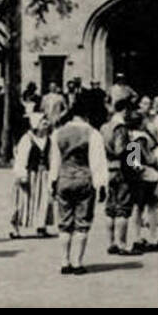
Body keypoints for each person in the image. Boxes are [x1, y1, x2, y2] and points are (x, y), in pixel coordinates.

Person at [48, 89, 109, 275]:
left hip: (64, 178)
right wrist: (101, 185)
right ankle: (77, 262)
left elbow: (54, 161)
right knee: (82, 223)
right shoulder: (93, 134)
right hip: (84, 179)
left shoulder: (58, 133)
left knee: (65, 222)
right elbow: (97, 162)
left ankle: (64, 261)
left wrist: (53, 181)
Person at [129, 104, 158, 252]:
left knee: (137, 208)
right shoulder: (142, 138)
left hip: (137, 176)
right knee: (153, 207)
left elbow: (131, 160)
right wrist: (157, 160)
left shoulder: (130, 135)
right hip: (148, 175)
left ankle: (136, 237)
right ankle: (152, 237)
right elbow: (142, 158)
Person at [100, 98, 136, 254]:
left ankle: (110, 243)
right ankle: (121, 244)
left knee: (110, 208)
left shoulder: (104, 127)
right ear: (125, 110)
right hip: (121, 169)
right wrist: (133, 147)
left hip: (107, 168)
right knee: (123, 208)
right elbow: (120, 149)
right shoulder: (121, 128)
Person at [11, 113, 54, 238]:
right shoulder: (27, 139)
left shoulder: (49, 140)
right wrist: (21, 175)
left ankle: (41, 226)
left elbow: (52, 158)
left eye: (46, 121)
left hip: (43, 173)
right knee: (23, 201)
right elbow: (21, 158)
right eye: (42, 121)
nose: (45, 123)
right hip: (30, 173)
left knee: (44, 200)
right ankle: (15, 228)